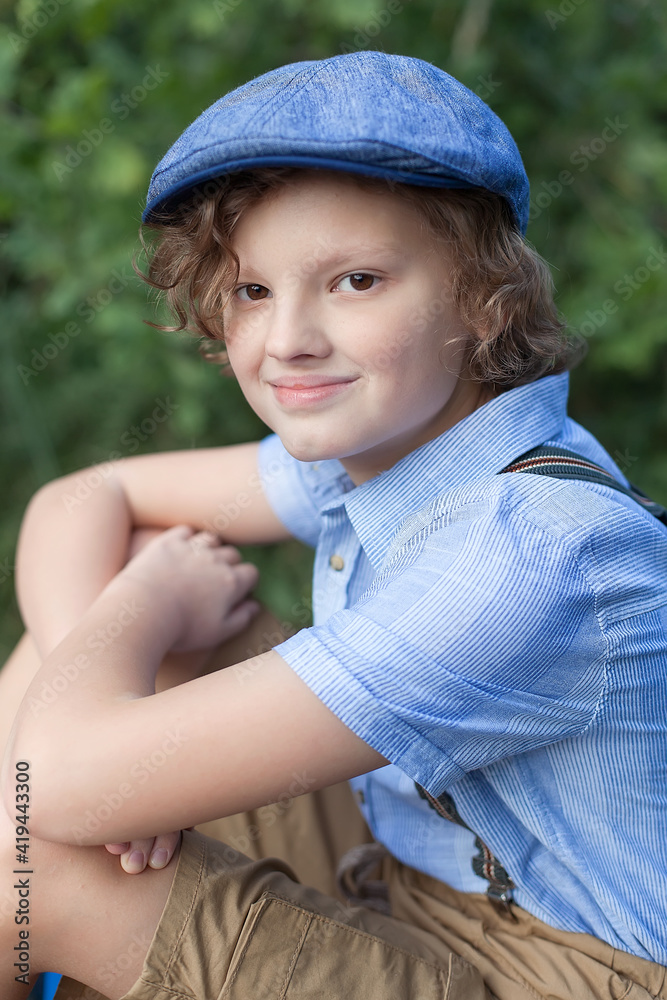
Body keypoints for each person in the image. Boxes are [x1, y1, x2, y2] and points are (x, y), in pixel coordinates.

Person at [1, 50, 666, 1000]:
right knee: (123, 626)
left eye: (355, 281)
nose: (288, 340)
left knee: (28, 862)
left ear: (484, 297)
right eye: (252, 291)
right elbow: (77, 501)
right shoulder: (406, 441)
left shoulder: (529, 555)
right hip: (415, 884)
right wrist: (119, 723)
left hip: (561, 973)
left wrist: (139, 626)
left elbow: (54, 785)